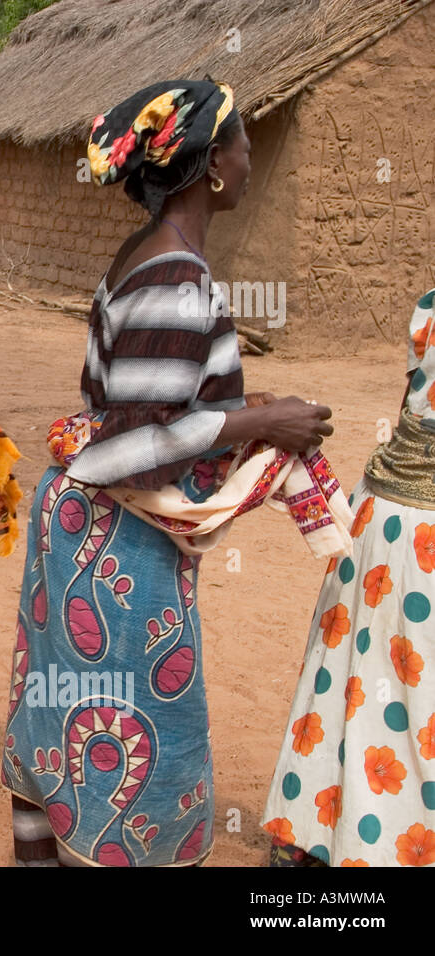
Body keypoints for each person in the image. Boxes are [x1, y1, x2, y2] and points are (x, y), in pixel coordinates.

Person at [2, 80, 333, 867]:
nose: (250, 160)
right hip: (114, 535)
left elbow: (152, 402)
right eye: (244, 146)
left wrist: (250, 409)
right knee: (136, 721)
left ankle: (40, 851)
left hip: (87, 521)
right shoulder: (176, 278)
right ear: (212, 163)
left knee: (65, 703)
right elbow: (140, 439)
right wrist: (262, 424)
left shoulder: (152, 255)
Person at [260, 289, 435, 867]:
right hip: (418, 541)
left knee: (347, 683)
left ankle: (317, 840)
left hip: (381, 522)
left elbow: (414, 410)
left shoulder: (431, 305)